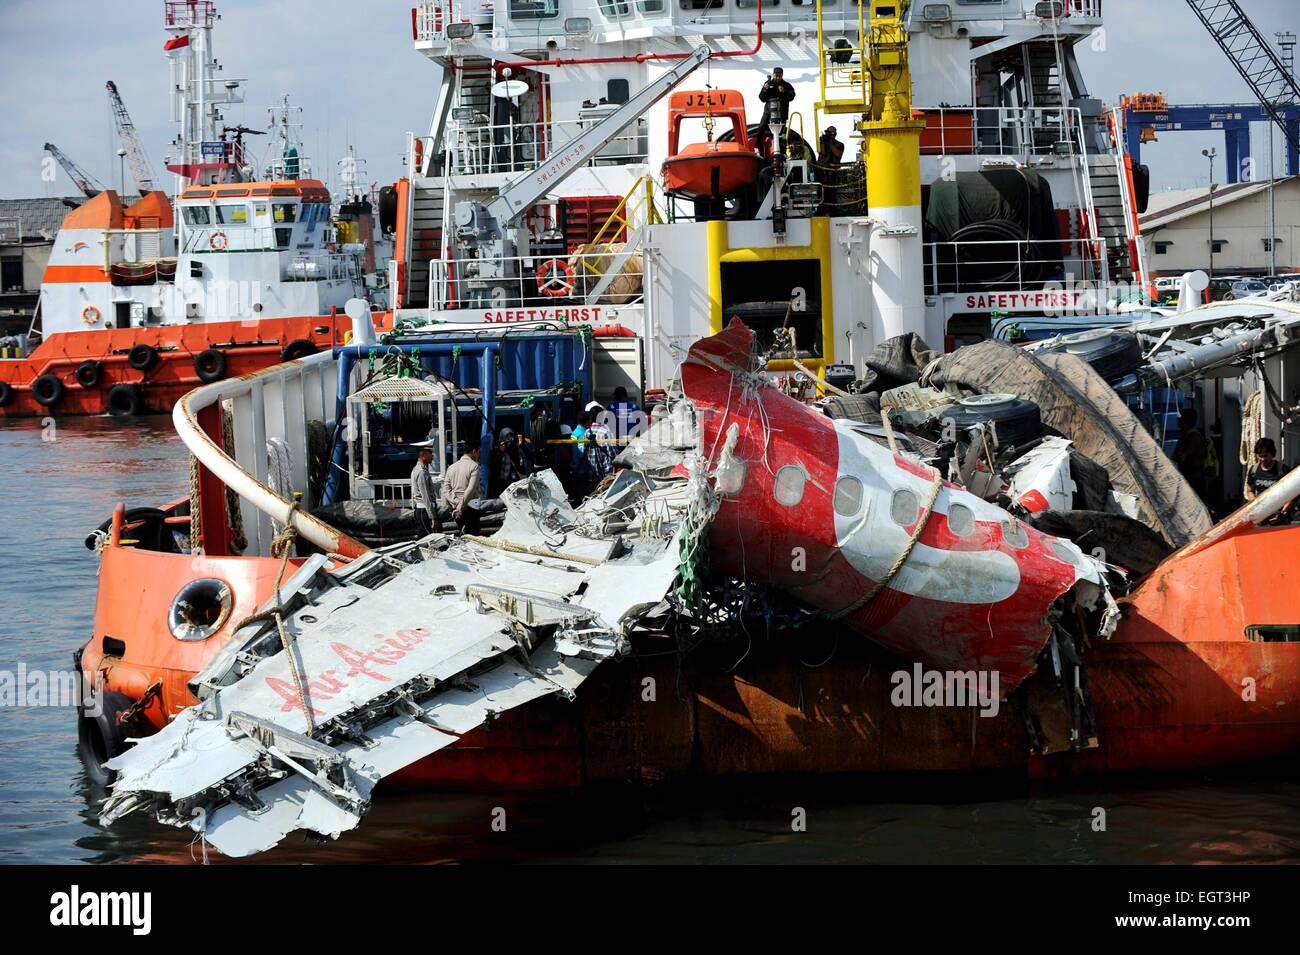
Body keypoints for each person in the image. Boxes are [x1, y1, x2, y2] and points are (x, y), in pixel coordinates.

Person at [1245, 437, 1294, 523]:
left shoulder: (1283, 470)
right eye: (1260, 456)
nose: (1263, 459)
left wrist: (1283, 512)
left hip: (1280, 518)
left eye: (1266, 455)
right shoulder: (1253, 470)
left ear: (1273, 454)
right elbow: (1249, 491)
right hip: (1261, 518)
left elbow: (1292, 494)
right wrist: (1256, 504)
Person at [439, 443, 481, 524]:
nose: (478, 455)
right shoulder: (474, 466)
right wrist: (461, 506)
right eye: (478, 452)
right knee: (472, 535)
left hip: (455, 507)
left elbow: (446, 489)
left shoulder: (451, 467)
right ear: (474, 451)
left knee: (460, 534)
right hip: (471, 506)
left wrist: (456, 503)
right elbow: (470, 489)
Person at [757, 68, 796, 152]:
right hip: (768, 113)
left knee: (782, 134)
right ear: (773, 74)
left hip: (782, 113)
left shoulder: (786, 85)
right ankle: (758, 148)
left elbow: (792, 96)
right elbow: (761, 98)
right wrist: (764, 90)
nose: (778, 78)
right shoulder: (768, 83)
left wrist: (784, 91)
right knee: (761, 128)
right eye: (776, 76)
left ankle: (782, 152)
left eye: (780, 76)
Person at [1173, 407, 1207, 498]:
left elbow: (1182, 457)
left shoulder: (1193, 437)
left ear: (1185, 421)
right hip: (1191, 477)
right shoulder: (1187, 435)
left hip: (1193, 479)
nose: (1178, 423)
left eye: (1180, 420)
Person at [409, 445, 441, 536]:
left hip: (424, 510)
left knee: (426, 538)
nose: (432, 455)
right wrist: (433, 517)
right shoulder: (421, 472)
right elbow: (426, 496)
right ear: (423, 455)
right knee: (432, 539)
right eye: (430, 453)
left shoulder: (421, 469)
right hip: (425, 511)